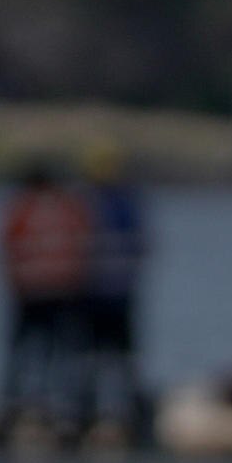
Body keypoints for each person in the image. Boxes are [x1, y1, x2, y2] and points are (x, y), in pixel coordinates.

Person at [0, 153, 93, 445]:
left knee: (21, 356)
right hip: (62, 292)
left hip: (28, 293)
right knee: (59, 356)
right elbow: (81, 247)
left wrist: (14, 283)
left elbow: (6, 248)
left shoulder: (21, 208)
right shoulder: (67, 207)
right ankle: (60, 413)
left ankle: (13, 409)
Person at [75, 137, 152, 447]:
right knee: (118, 358)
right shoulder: (127, 202)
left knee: (99, 358)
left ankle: (92, 412)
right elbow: (143, 246)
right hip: (116, 293)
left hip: (96, 294)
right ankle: (124, 413)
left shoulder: (86, 203)